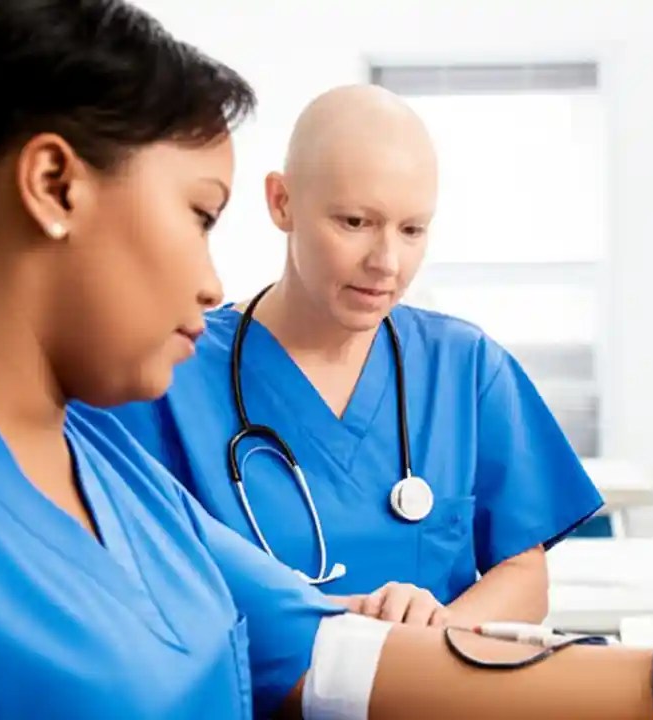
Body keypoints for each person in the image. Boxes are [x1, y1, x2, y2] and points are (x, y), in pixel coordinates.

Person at [0, 1, 653, 718]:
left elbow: (331, 654)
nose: (212, 285)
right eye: (200, 216)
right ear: (51, 185)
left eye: (412, 226)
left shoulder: (113, 477)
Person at [105, 83, 602, 628]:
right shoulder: (173, 376)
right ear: (282, 201)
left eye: (412, 230)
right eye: (355, 223)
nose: (387, 261)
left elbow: (523, 575)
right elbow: (134, 587)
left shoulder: (465, 368)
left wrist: (430, 641)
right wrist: (330, 630)